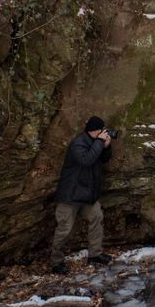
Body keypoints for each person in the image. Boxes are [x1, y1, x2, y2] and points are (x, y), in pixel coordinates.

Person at [50, 116, 113, 273]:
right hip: (71, 194)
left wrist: (106, 146)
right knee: (64, 228)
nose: (104, 132)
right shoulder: (78, 143)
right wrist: (100, 142)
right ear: (94, 130)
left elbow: (103, 159)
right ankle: (56, 262)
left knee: (97, 217)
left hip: (88, 194)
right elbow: (86, 160)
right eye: (101, 130)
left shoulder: (96, 141)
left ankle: (95, 254)